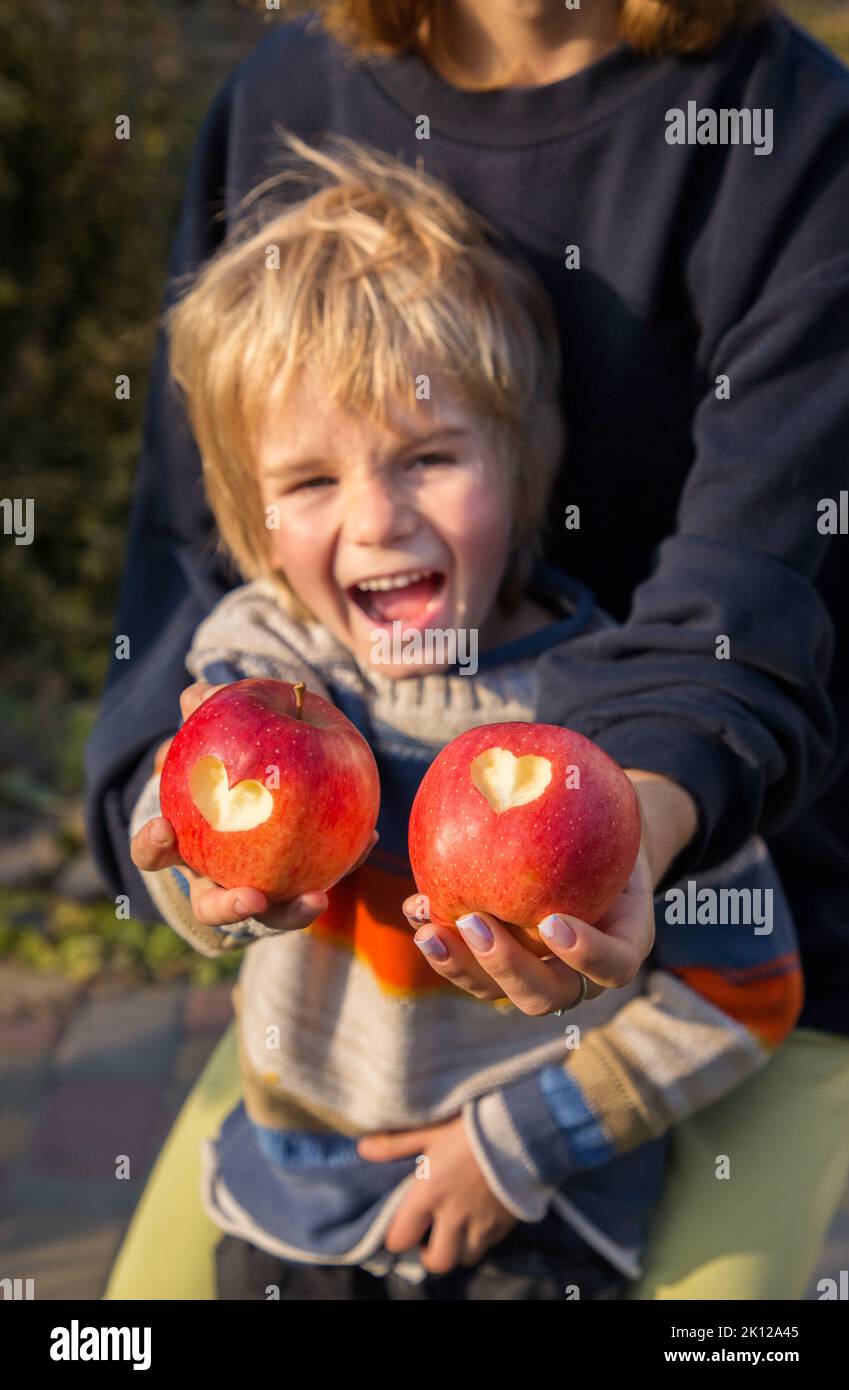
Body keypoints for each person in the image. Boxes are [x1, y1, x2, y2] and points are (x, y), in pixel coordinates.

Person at [86, 1, 849, 1297]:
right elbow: (189, 560)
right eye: (318, 480)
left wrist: (608, 853)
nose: (374, 515)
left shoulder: (790, 132)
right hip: (321, 1097)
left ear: (518, 460)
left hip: (683, 941)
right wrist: (180, 847)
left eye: (429, 459)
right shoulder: (280, 99)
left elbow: (751, 585)